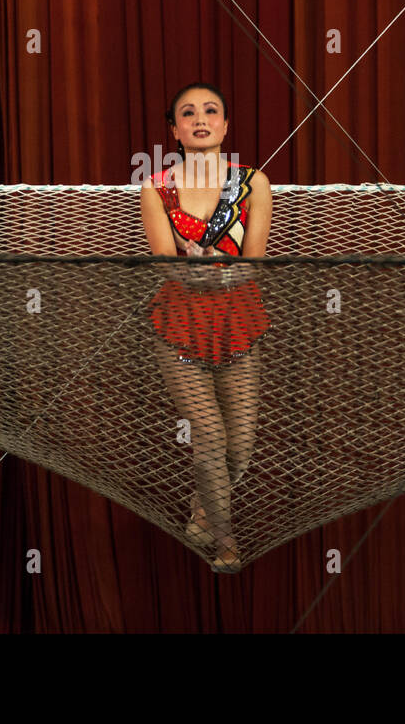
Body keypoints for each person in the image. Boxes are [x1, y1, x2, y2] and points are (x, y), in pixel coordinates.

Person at [139, 82, 271, 572]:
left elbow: (254, 261)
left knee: (241, 446)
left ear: (225, 125)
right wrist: (191, 270)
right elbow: (163, 263)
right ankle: (225, 540)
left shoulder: (255, 183)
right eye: (188, 113)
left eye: (211, 110)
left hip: (239, 318)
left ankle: (202, 507)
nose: (200, 119)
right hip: (179, 321)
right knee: (211, 436)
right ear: (174, 129)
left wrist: (224, 273)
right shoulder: (156, 188)